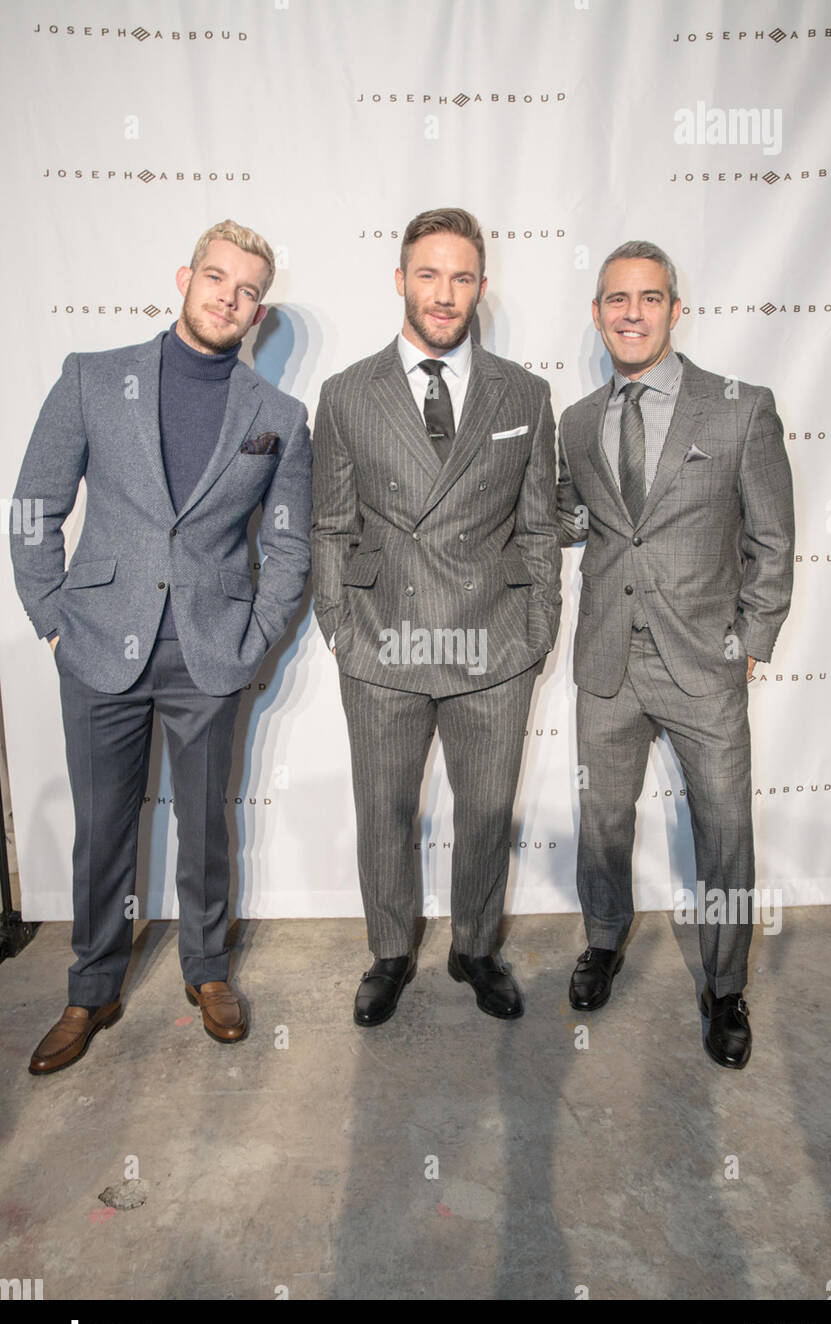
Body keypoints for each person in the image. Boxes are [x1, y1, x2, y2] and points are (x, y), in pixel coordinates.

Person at [11, 219, 312, 1072]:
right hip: (100, 645)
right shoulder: (93, 379)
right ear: (185, 277)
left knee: (209, 827)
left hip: (211, 654)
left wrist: (254, 640)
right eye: (217, 278)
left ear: (259, 311)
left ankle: (207, 970)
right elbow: (36, 503)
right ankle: (92, 984)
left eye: (249, 290)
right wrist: (53, 614)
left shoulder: (279, 415)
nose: (230, 297)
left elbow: (289, 542)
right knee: (102, 827)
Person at [312, 207, 561, 1026]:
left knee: (488, 810)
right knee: (383, 808)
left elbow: (537, 526)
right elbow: (329, 526)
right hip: (383, 641)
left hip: (493, 642)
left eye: (461, 277)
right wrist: (342, 630)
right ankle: (390, 951)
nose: (444, 293)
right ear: (399, 281)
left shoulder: (524, 392)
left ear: (482, 287)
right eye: (428, 273)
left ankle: (476, 947)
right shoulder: (347, 393)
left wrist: (536, 630)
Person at [556, 240, 794, 1069]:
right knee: (603, 822)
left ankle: (726, 988)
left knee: (725, 831)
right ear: (597, 314)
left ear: (673, 310)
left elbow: (772, 540)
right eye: (616, 299)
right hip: (606, 665)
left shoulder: (739, 408)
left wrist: (749, 645)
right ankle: (605, 940)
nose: (632, 313)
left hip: (704, 665)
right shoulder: (578, 420)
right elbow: (573, 520)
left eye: (649, 298)